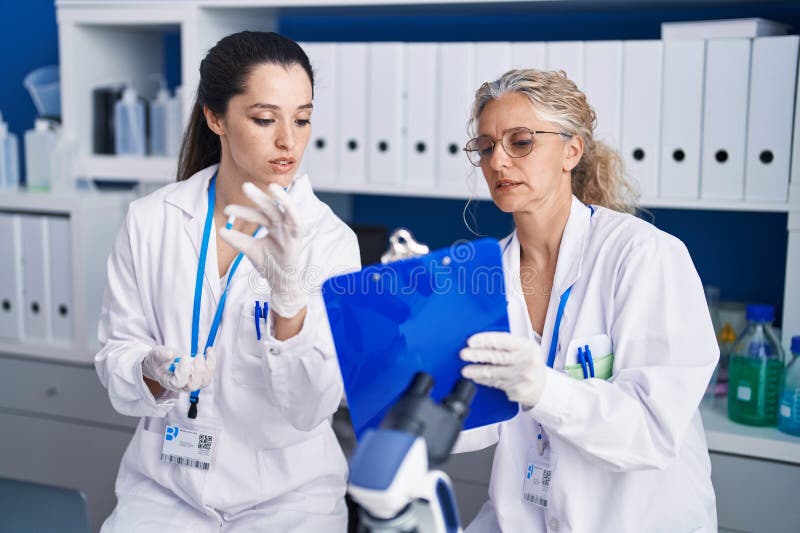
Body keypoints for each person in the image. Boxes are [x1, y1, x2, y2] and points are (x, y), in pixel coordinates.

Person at [95, 31, 360, 531]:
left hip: (290, 502)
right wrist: (152, 368)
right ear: (215, 118)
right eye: (265, 119)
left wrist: (290, 305)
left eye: (302, 119)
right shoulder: (151, 220)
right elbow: (116, 361)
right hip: (165, 492)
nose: (289, 140)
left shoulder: (329, 241)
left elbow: (312, 407)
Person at [455, 69, 718, 532]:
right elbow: (483, 421)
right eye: (486, 147)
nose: (498, 162)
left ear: (571, 150)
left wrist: (542, 389)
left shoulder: (643, 256)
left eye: (520, 142)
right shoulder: (484, 275)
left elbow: (652, 432)